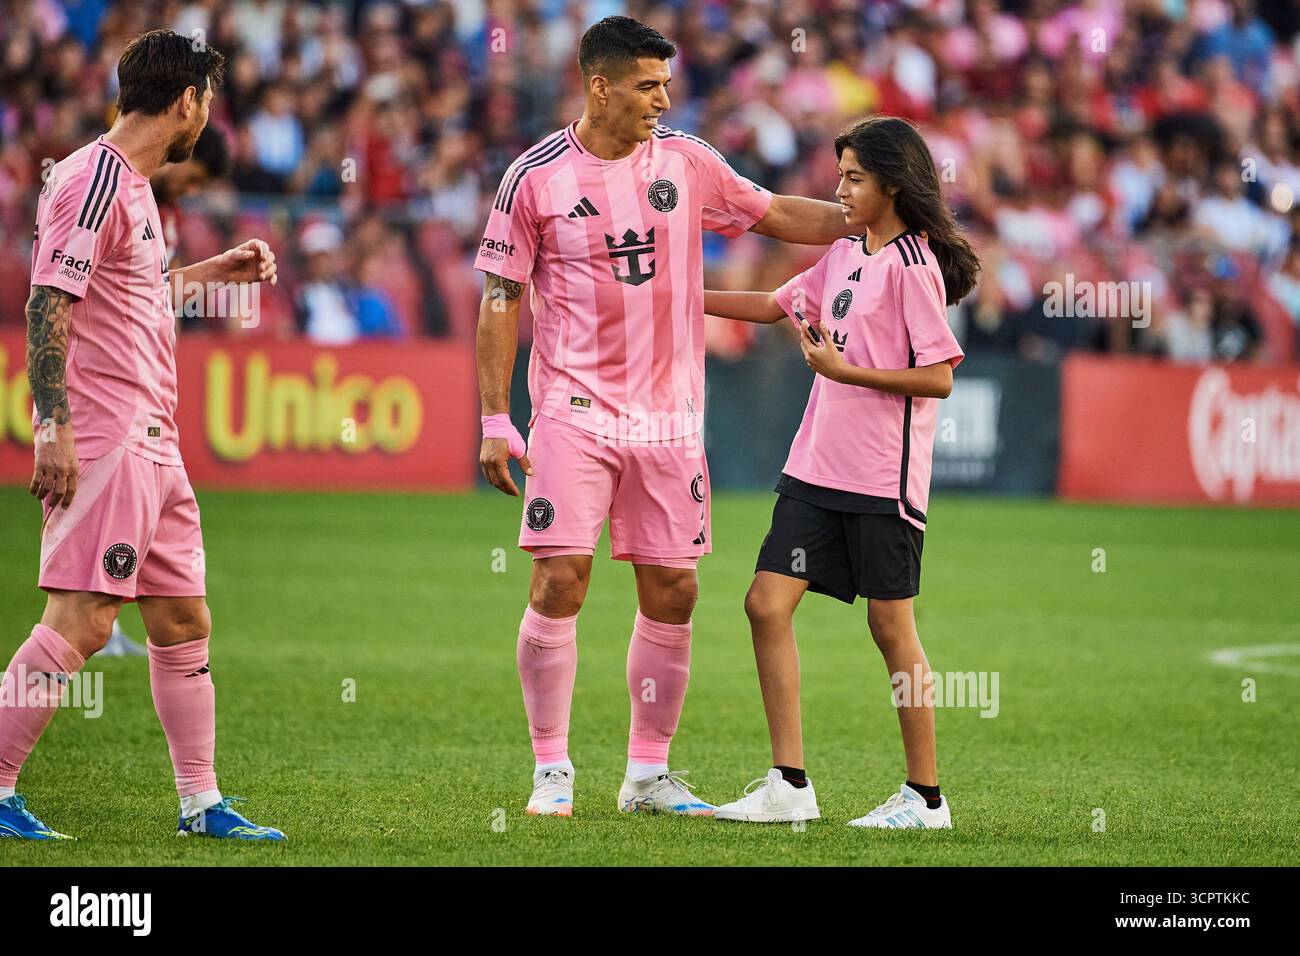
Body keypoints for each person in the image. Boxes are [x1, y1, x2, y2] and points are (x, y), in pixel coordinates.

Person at [474, 16, 855, 818]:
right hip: (574, 411)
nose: (663, 98)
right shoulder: (534, 177)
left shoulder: (686, 160)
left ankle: (646, 775)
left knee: (675, 590)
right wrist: (493, 417)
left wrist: (870, 217)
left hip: (671, 422)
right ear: (600, 84)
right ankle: (552, 770)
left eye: (665, 83)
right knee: (558, 580)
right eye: (648, 84)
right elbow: (501, 295)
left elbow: (775, 212)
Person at [0, 30, 284, 841]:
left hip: (156, 440)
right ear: (187, 101)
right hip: (106, 436)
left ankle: (202, 805)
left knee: (183, 620)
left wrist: (206, 277)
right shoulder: (92, 178)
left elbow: (127, 297)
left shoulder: (132, 188)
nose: (207, 119)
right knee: (83, 621)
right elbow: (47, 303)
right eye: (208, 103)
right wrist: (50, 426)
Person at [702, 116, 979, 828]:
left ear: (893, 184)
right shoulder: (847, 252)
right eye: (842, 175)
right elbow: (772, 307)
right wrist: (677, 295)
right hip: (816, 468)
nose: (841, 189)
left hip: (882, 479)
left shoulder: (915, 266)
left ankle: (925, 799)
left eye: (855, 177)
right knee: (765, 603)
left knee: (891, 628)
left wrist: (843, 368)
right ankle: (788, 783)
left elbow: (939, 379)